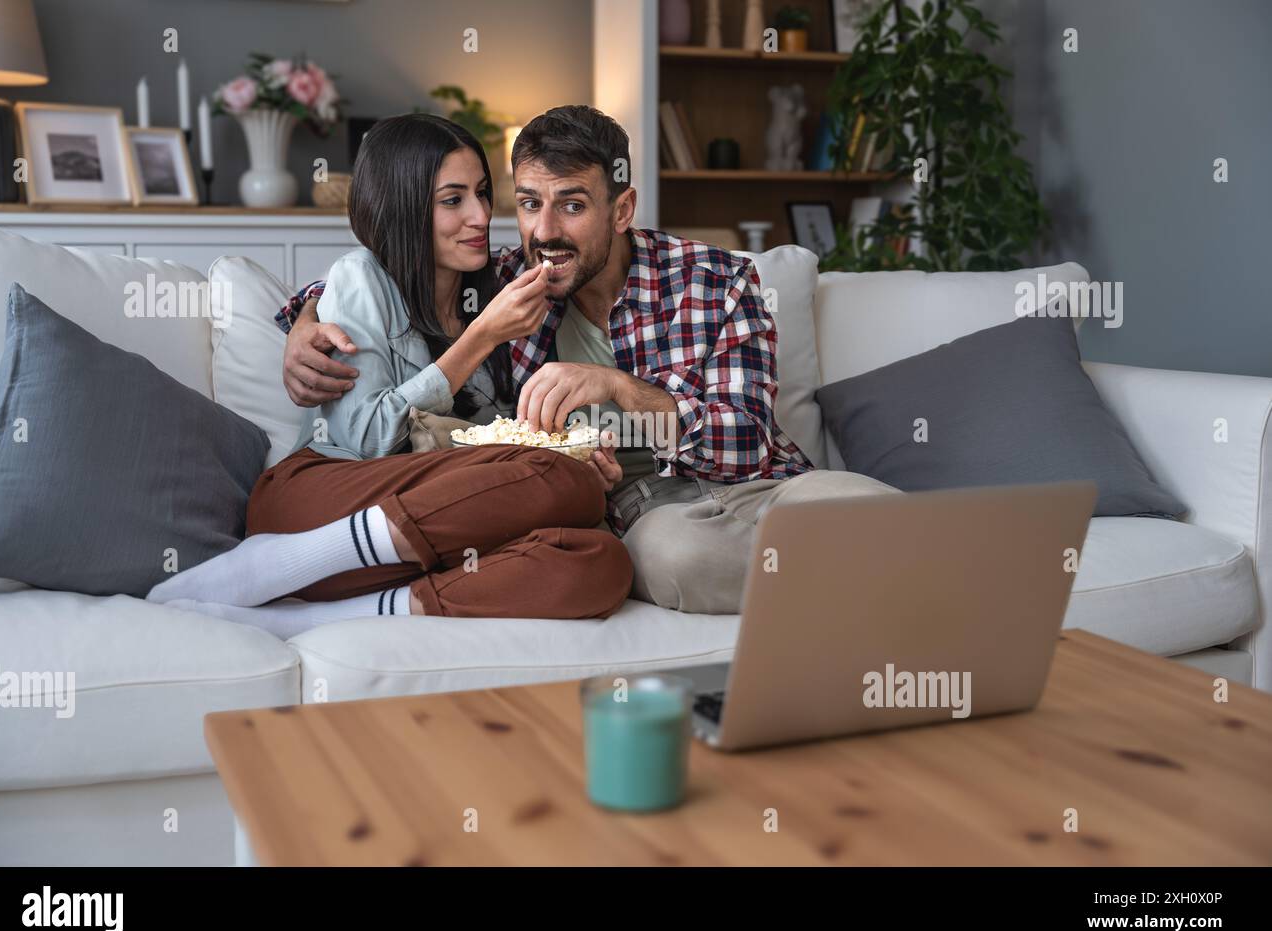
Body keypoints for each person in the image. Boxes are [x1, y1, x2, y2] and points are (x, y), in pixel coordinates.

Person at [277, 106, 898, 616]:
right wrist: (302, 323)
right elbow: (392, 273)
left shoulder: (719, 281)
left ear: (621, 210)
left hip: (758, 489)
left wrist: (617, 388)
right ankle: (867, 588)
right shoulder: (501, 286)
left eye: (572, 206)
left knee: (871, 507)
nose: (544, 230)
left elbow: (745, 444)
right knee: (671, 555)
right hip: (648, 510)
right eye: (526, 203)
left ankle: (885, 569)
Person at [145, 113, 632, 636]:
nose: (480, 216)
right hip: (322, 498)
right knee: (565, 486)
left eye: (484, 194)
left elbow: (485, 443)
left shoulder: (500, 286)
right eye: (453, 200)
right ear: (404, 206)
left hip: (427, 524)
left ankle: (319, 614)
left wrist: (567, 452)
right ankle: (272, 563)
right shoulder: (362, 277)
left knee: (600, 560)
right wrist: (480, 339)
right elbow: (370, 439)